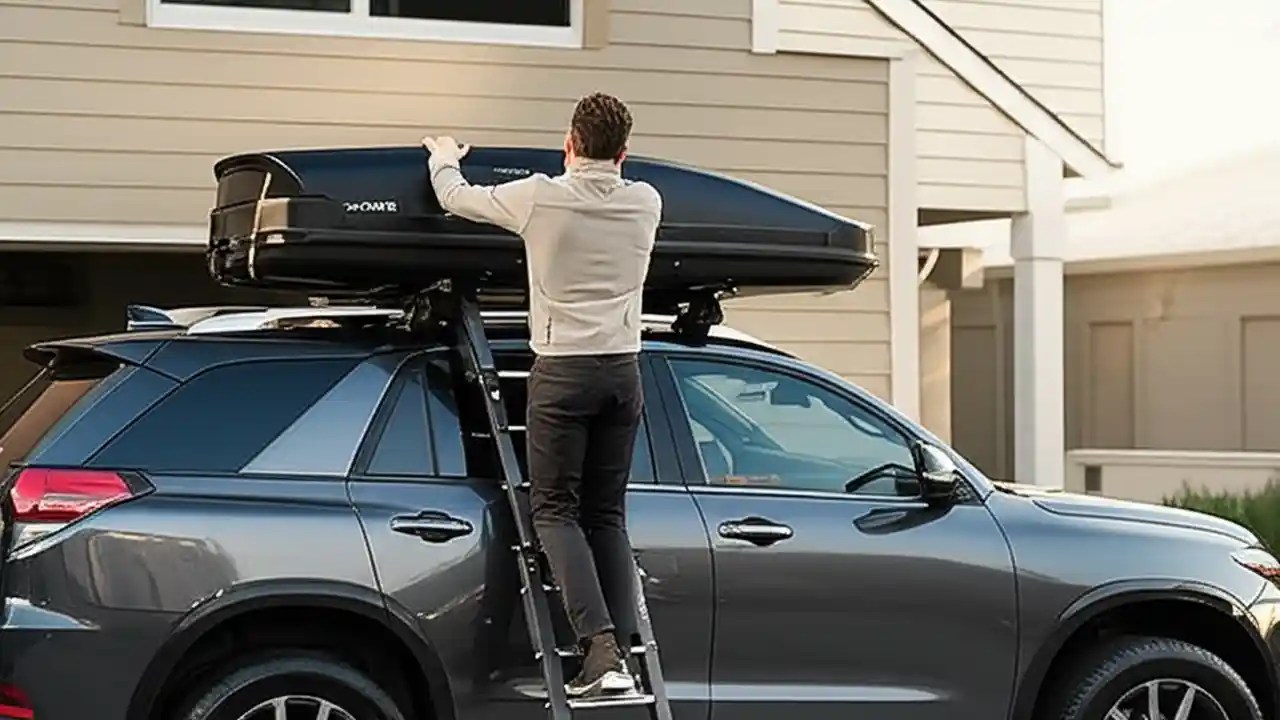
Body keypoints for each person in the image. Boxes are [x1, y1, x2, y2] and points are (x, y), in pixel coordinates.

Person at [422, 91, 662, 699]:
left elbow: (455, 198)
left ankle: (600, 653)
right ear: (624, 155)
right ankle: (624, 656)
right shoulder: (646, 202)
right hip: (623, 373)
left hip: (564, 373)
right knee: (607, 516)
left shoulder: (539, 197)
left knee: (554, 511)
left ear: (569, 145)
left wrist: (444, 158)